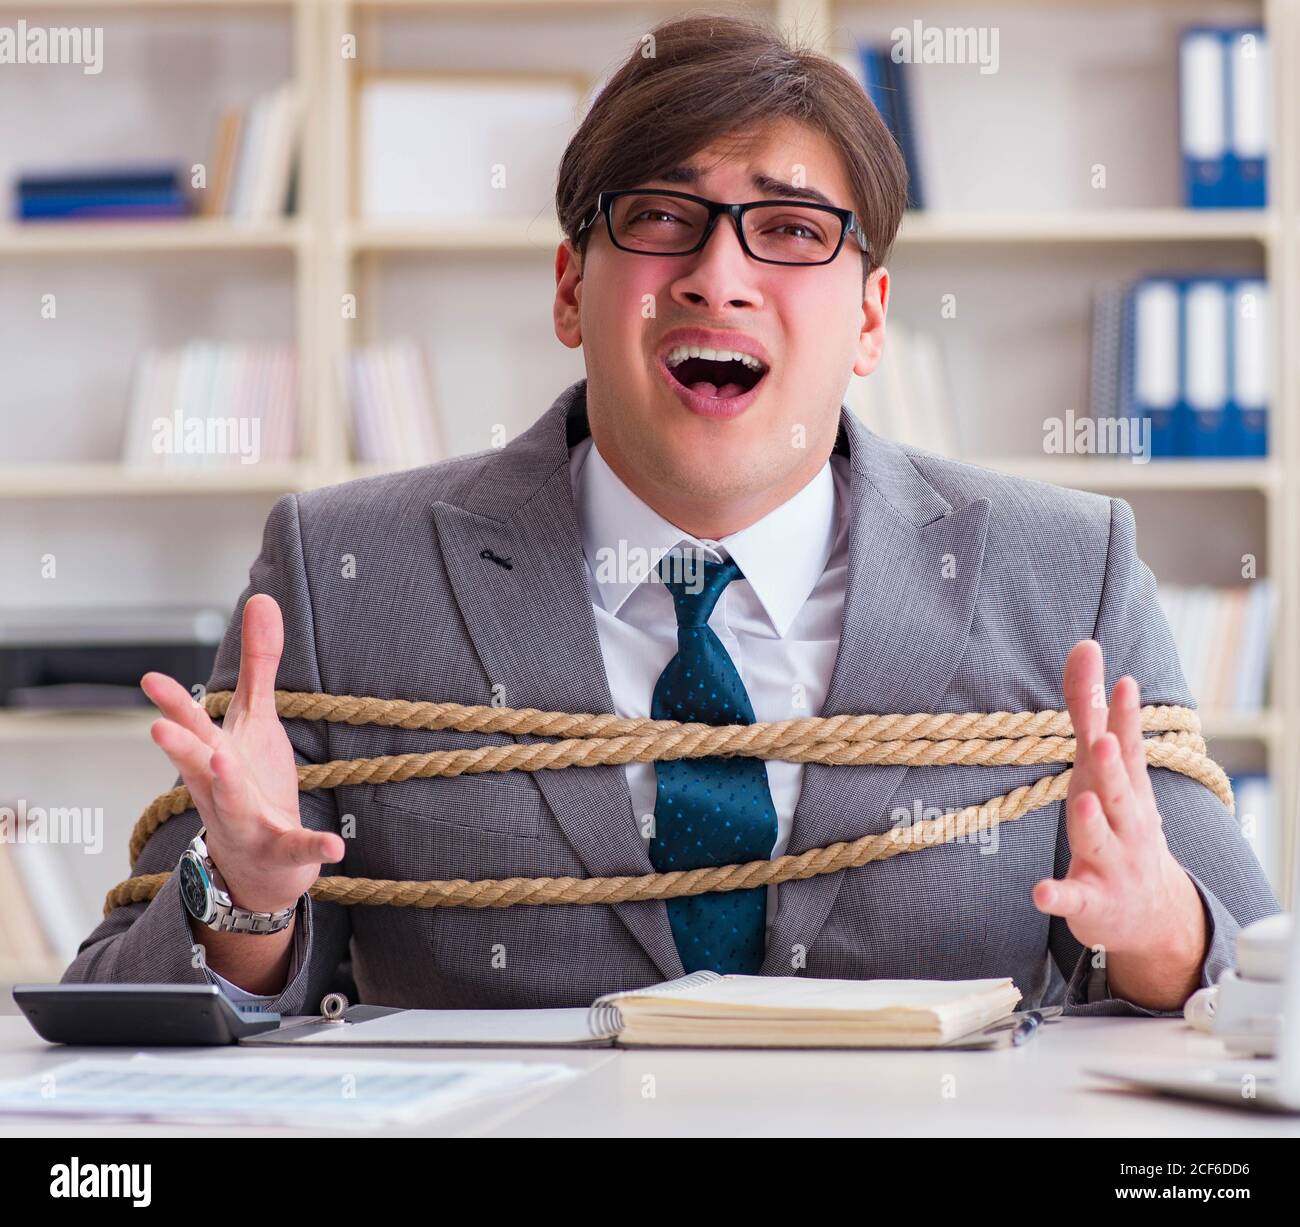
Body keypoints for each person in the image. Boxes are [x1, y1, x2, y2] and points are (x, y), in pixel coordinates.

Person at [65, 12, 1279, 1016]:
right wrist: (247, 903)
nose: (719, 273)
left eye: (793, 230)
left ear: (869, 320)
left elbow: (1257, 976)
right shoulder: (343, 578)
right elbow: (121, 1004)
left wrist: (1161, 937)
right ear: (568, 287)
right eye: (658, 218)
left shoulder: (1065, 570)